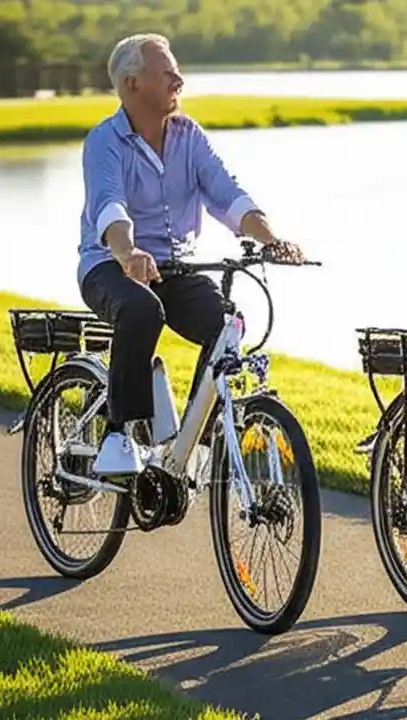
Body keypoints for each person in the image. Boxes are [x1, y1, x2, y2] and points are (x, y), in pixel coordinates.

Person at [78, 33, 303, 476]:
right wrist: (128, 253)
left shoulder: (189, 136)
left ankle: (192, 447)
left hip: (174, 268)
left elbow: (227, 195)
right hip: (109, 265)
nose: (178, 80)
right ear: (132, 83)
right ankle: (119, 434)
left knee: (226, 326)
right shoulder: (105, 141)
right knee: (141, 310)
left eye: (177, 72)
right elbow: (109, 207)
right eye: (167, 73)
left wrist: (270, 240)